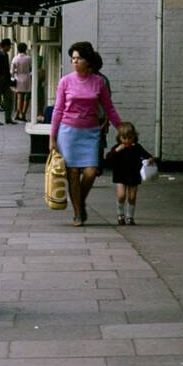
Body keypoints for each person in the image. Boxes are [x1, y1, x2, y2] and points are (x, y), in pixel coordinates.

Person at [51, 40, 122, 227]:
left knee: (90, 173)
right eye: (72, 58)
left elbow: (109, 108)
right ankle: (77, 213)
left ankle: (79, 201)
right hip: (68, 132)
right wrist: (52, 137)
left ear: (88, 61)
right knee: (72, 173)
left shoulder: (99, 82)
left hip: (90, 133)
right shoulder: (65, 81)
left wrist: (121, 127)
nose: (75, 61)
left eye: (79, 58)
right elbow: (58, 110)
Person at [104, 121, 152, 226]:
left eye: (129, 138)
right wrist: (117, 150)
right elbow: (108, 158)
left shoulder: (137, 147)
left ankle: (130, 216)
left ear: (134, 137)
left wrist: (149, 160)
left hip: (134, 174)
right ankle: (120, 214)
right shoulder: (117, 147)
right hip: (120, 174)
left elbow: (148, 156)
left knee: (132, 197)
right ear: (119, 138)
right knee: (121, 196)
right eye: (124, 138)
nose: (127, 141)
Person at [12, 42, 33, 122]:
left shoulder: (15, 58)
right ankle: (23, 113)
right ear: (25, 49)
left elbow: (12, 71)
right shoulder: (28, 58)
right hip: (27, 78)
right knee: (27, 97)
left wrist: (14, 75)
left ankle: (18, 112)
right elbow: (32, 68)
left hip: (18, 78)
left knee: (19, 97)